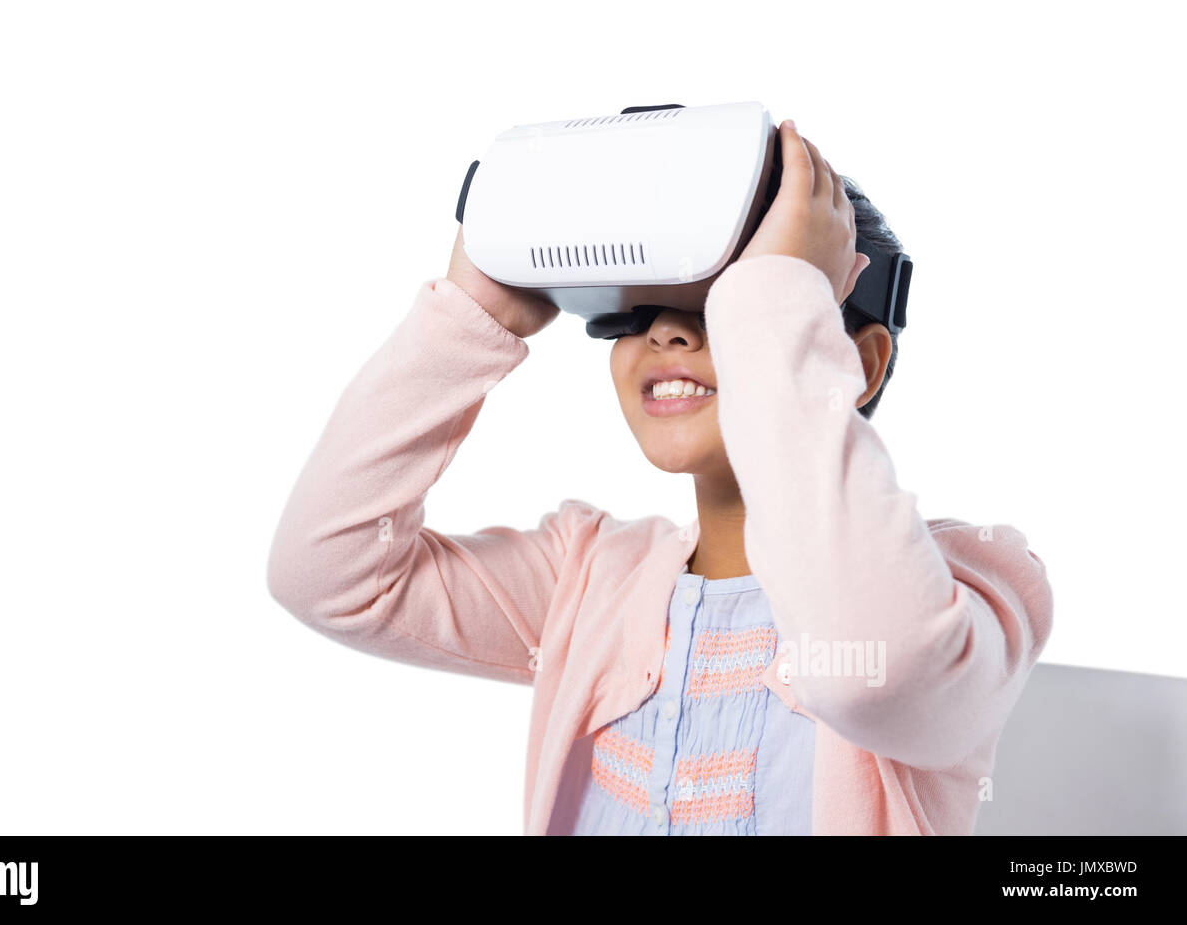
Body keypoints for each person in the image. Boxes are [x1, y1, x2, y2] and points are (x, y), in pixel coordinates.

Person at [266, 118, 1054, 835]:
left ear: (859, 357)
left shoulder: (974, 583)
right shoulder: (590, 578)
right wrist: (468, 320)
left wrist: (778, 301)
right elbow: (327, 572)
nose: (667, 331)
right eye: (633, 312)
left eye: (718, 304)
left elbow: (873, 674)